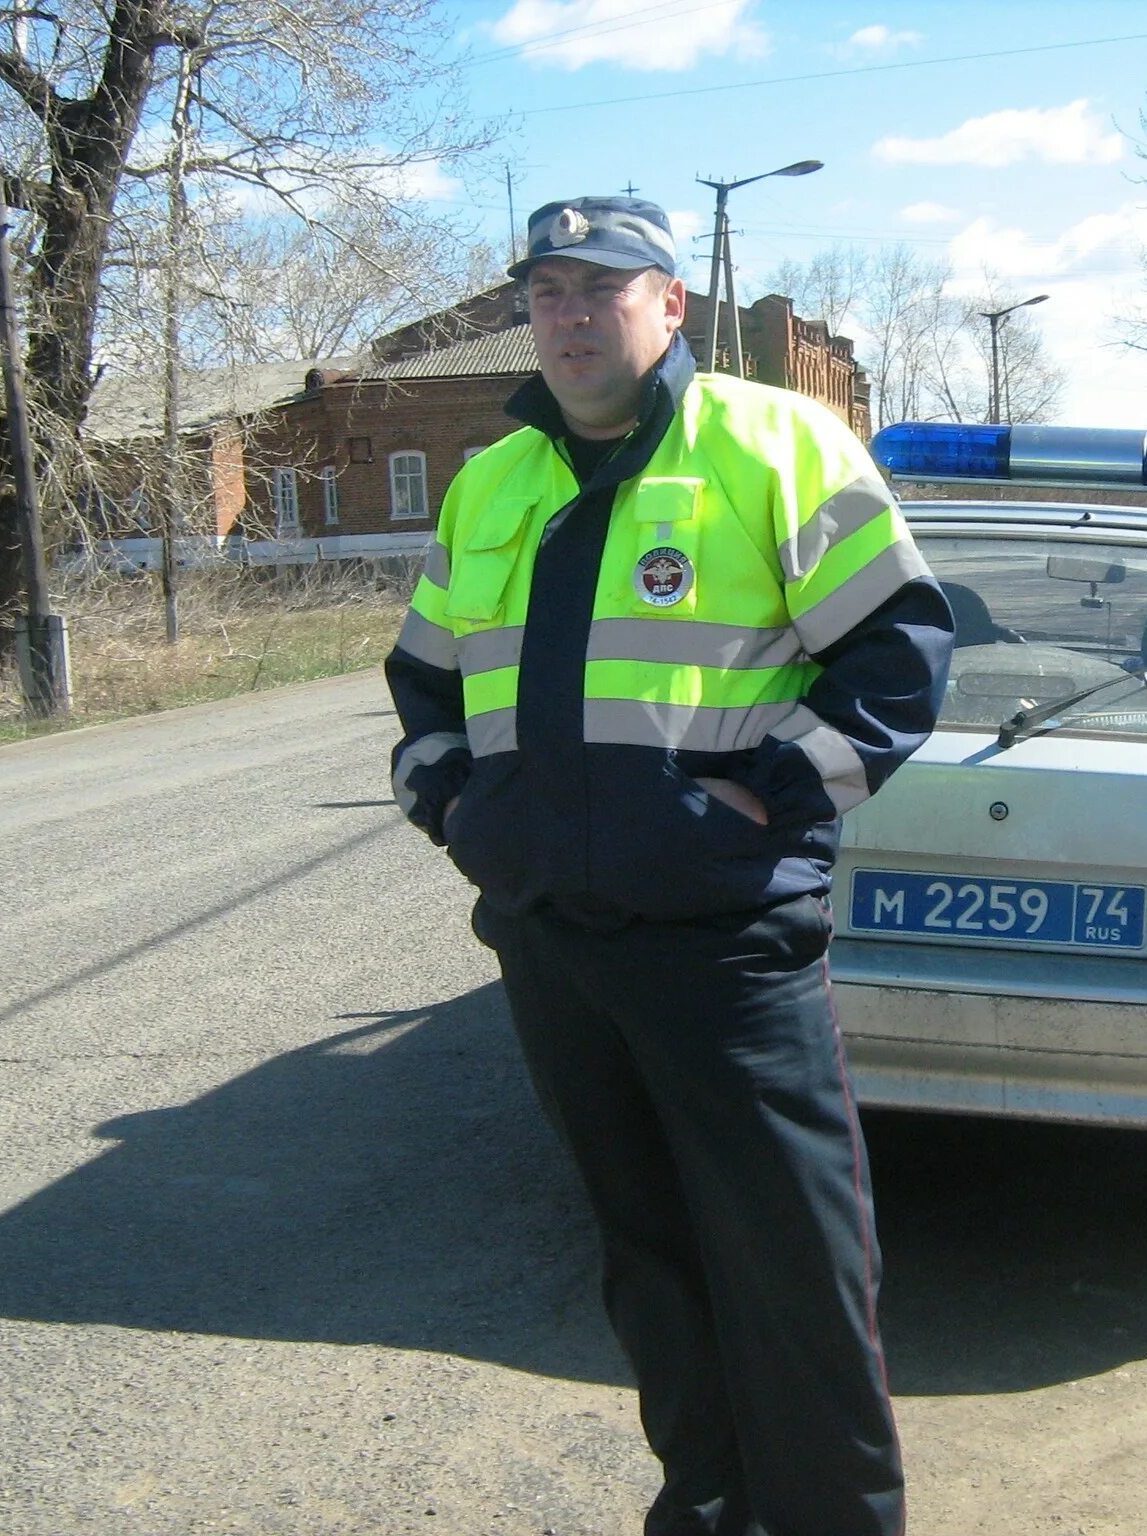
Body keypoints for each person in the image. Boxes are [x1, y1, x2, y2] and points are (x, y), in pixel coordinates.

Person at [384, 194, 953, 1535]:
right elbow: (424, 681)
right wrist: (460, 812)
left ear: (668, 304)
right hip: (551, 940)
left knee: (795, 1271)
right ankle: (705, 1509)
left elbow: (901, 653)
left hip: (725, 946)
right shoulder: (492, 478)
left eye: (600, 289)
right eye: (547, 292)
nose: (570, 316)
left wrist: (766, 799)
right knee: (646, 1262)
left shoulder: (774, 444)